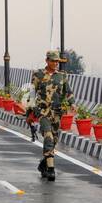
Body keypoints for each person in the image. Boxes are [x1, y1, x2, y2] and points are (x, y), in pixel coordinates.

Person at [29, 51, 72, 181]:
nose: (55, 63)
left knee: (53, 140)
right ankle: (51, 170)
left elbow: (68, 92)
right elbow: (31, 93)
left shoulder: (62, 76)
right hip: (43, 112)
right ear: (46, 61)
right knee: (48, 136)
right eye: (53, 61)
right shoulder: (38, 74)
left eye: (57, 61)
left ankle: (43, 164)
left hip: (57, 113)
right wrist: (30, 112)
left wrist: (72, 103)